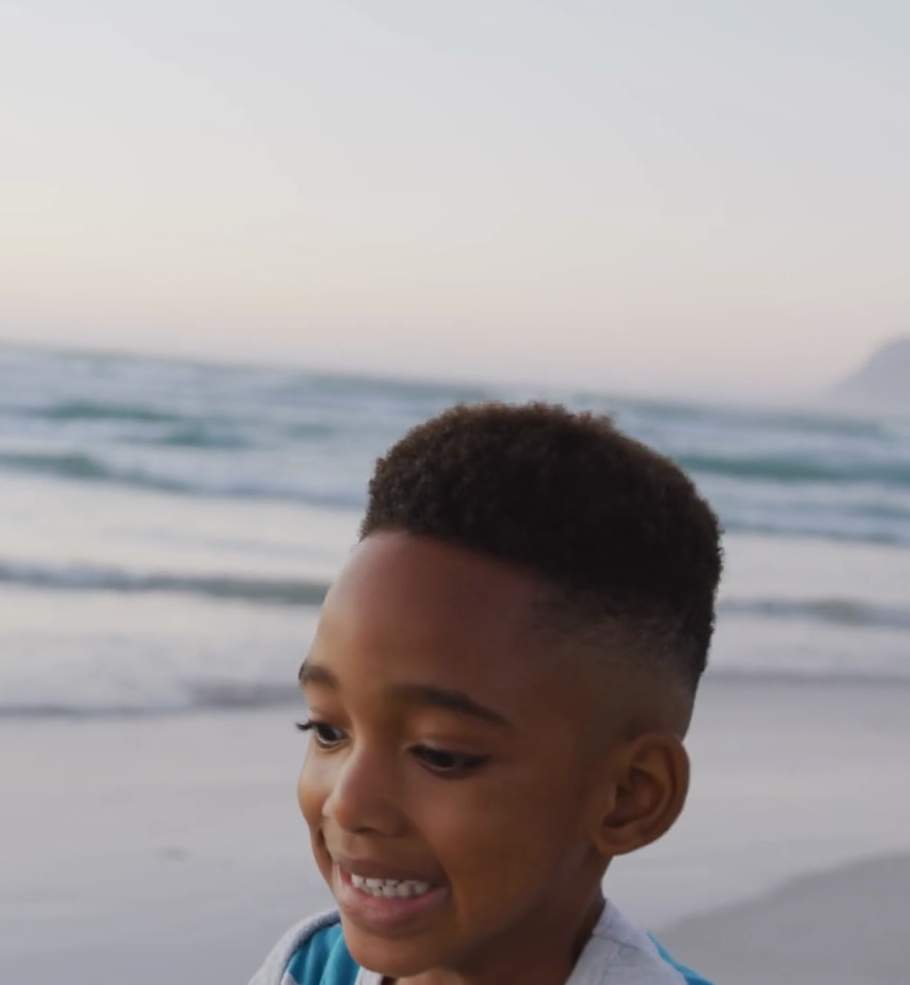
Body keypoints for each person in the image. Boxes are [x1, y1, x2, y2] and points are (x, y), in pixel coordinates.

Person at [250, 402, 721, 985]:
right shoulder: (310, 970)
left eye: (440, 754)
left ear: (629, 795)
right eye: (327, 731)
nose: (348, 804)